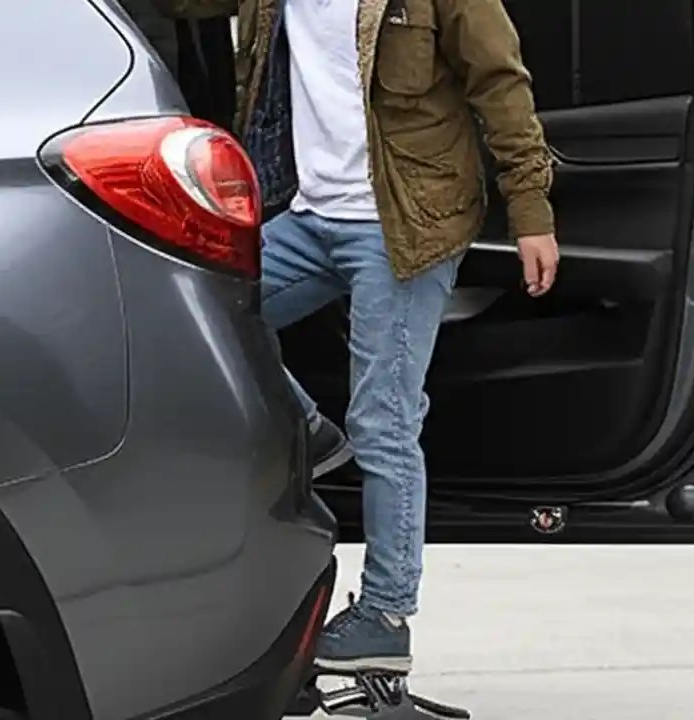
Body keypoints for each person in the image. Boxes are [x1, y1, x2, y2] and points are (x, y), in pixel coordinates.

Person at [150, 0, 559, 674]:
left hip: (404, 223)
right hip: (310, 217)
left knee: (386, 419)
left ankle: (386, 614)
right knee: (199, 320)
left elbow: (500, 81)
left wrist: (531, 212)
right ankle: (307, 428)